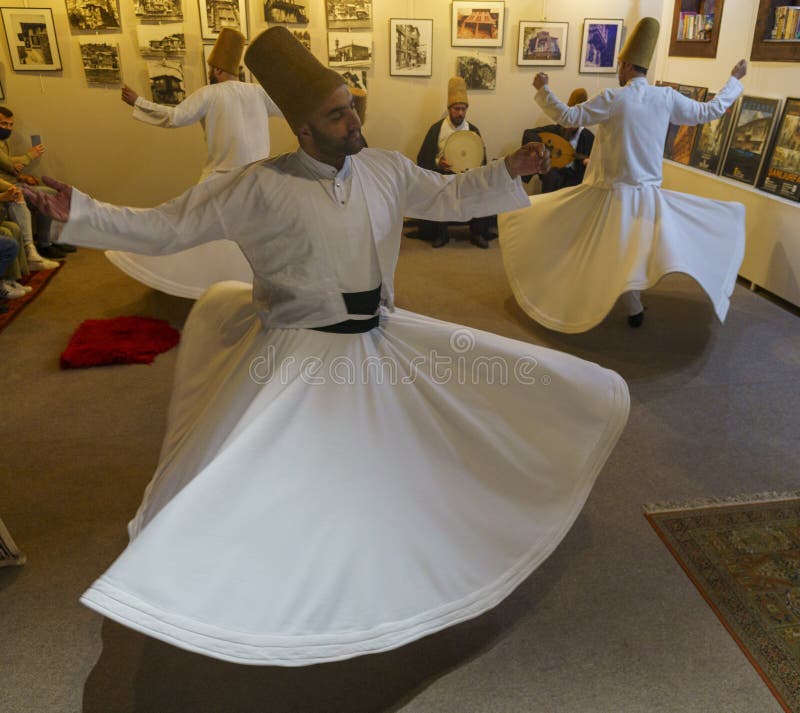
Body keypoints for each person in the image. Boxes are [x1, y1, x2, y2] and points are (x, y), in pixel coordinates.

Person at [27, 26, 629, 667]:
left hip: (377, 340)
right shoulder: (254, 187)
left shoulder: (386, 167)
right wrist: (81, 212)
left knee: (396, 468)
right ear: (303, 130)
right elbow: (163, 228)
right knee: (284, 485)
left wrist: (506, 170)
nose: (353, 118)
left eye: (351, 104)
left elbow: (449, 196)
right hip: (296, 356)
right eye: (336, 114)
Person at [500, 17, 747, 331]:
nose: (617, 69)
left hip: (611, 197)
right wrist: (734, 80)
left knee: (591, 245)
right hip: (646, 198)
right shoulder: (666, 97)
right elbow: (709, 111)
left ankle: (611, 304)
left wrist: (543, 89)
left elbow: (568, 115)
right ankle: (632, 306)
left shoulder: (614, 99)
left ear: (629, 66)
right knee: (627, 255)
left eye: (619, 64)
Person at [110, 27, 284, 298]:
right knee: (253, 236)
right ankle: (246, 286)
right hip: (256, 180)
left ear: (216, 70)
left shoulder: (209, 94)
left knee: (190, 228)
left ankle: (204, 284)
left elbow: (175, 117)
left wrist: (139, 102)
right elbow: (291, 107)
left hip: (219, 179)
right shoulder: (258, 93)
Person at [416, 77, 493, 248]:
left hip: (468, 175)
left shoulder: (473, 130)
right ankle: (441, 234)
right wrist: (438, 163)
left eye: (463, 109)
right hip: (444, 175)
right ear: (449, 109)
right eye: (457, 109)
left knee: (481, 189)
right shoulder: (436, 129)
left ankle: (477, 233)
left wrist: (475, 161)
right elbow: (423, 158)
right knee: (440, 190)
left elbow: (482, 159)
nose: (460, 113)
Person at [0, 108, 62, 270]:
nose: (7, 128)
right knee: (40, 196)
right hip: (6, 188)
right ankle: (36, 248)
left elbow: (9, 167)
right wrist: (30, 155)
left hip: (13, 182)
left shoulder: (3, 142)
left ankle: (47, 242)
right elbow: (9, 164)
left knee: (50, 194)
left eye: (10, 124)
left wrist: (21, 175)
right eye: (3, 124)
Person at [521, 88, 595, 192]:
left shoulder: (588, 137)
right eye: (568, 120)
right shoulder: (557, 130)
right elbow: (528, 133)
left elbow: (592, 167)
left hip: (575, 182)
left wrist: (589, 162)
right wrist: (544, 149)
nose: (569, 125)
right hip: (554, 177)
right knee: (551, 174)